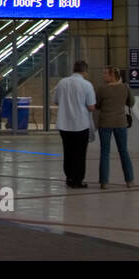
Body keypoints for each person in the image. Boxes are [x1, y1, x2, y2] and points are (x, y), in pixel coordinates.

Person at [52, 60, 96, 189]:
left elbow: (56, 101)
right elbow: (91, 106)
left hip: (64, 124)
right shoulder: (87, 85)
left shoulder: (62, 82)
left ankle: (69, 177)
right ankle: (78, 179)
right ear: (85, 71)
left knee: (68, 151)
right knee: (80, 153)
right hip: (81, 124)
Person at [93, 66, 135, 190]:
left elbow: (97, 105)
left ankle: (104, 181)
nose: (103, 76)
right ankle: (129, 180)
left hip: (105, 123)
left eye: (105, 74)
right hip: (120, 123)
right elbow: (131, 103)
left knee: (105, 152)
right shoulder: (125, 87)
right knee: (123, 151)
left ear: (112, 75)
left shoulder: (101, 89)